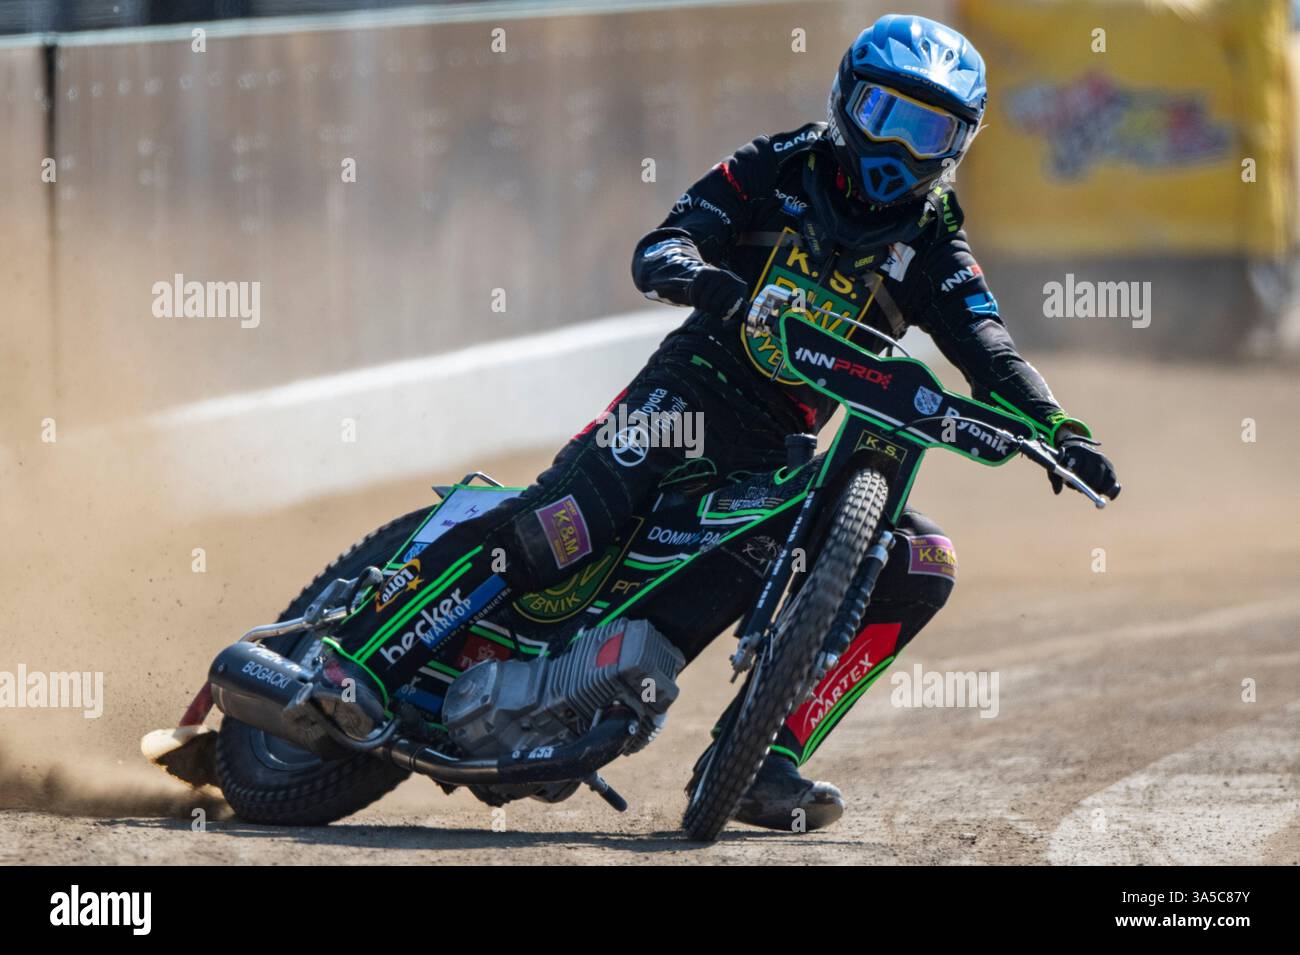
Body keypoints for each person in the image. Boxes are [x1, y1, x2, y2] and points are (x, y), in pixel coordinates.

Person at [317, 13, 1122, 833]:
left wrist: (1061, 430)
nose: (899, 150)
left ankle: (765, 757)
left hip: (781, 451)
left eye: (929, 131)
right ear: (847, 101)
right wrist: (704, 278)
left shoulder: (934, 246)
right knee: (573, 521)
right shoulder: (775, 166)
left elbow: (991, 349)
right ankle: (362, 656)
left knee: (923, 560)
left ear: (959, 146)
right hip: (689, 390)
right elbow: (663, 244)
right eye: (887, 116)